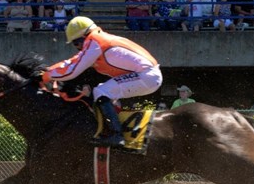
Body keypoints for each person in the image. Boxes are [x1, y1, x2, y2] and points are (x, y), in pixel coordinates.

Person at [39, 17, 162, 148]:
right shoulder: (98, 39)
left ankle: (117, 135)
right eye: (75, 44)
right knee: (103, 90)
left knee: (101, 91)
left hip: (146, 76)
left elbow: (72, 71)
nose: (78, 47)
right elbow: (73, 61)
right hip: (147, 75)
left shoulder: (94, 42)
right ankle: (114, 126)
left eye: (77, 42)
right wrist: (48, 71)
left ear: (85, 35)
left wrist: (46, 76)